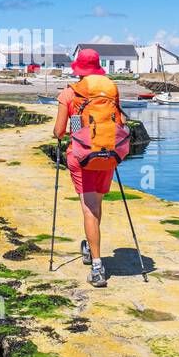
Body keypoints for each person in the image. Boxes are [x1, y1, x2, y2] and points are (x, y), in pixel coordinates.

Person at [53, 48, 129, 288]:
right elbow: (121, 122)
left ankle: (96, 265)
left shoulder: (69, 93)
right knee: (96, 204)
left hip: (81, 156)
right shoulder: (111, 90)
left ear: (78, 69)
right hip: (107, 154)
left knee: (88, 208)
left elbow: (60, 131)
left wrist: (76, 126)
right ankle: (90, 245)